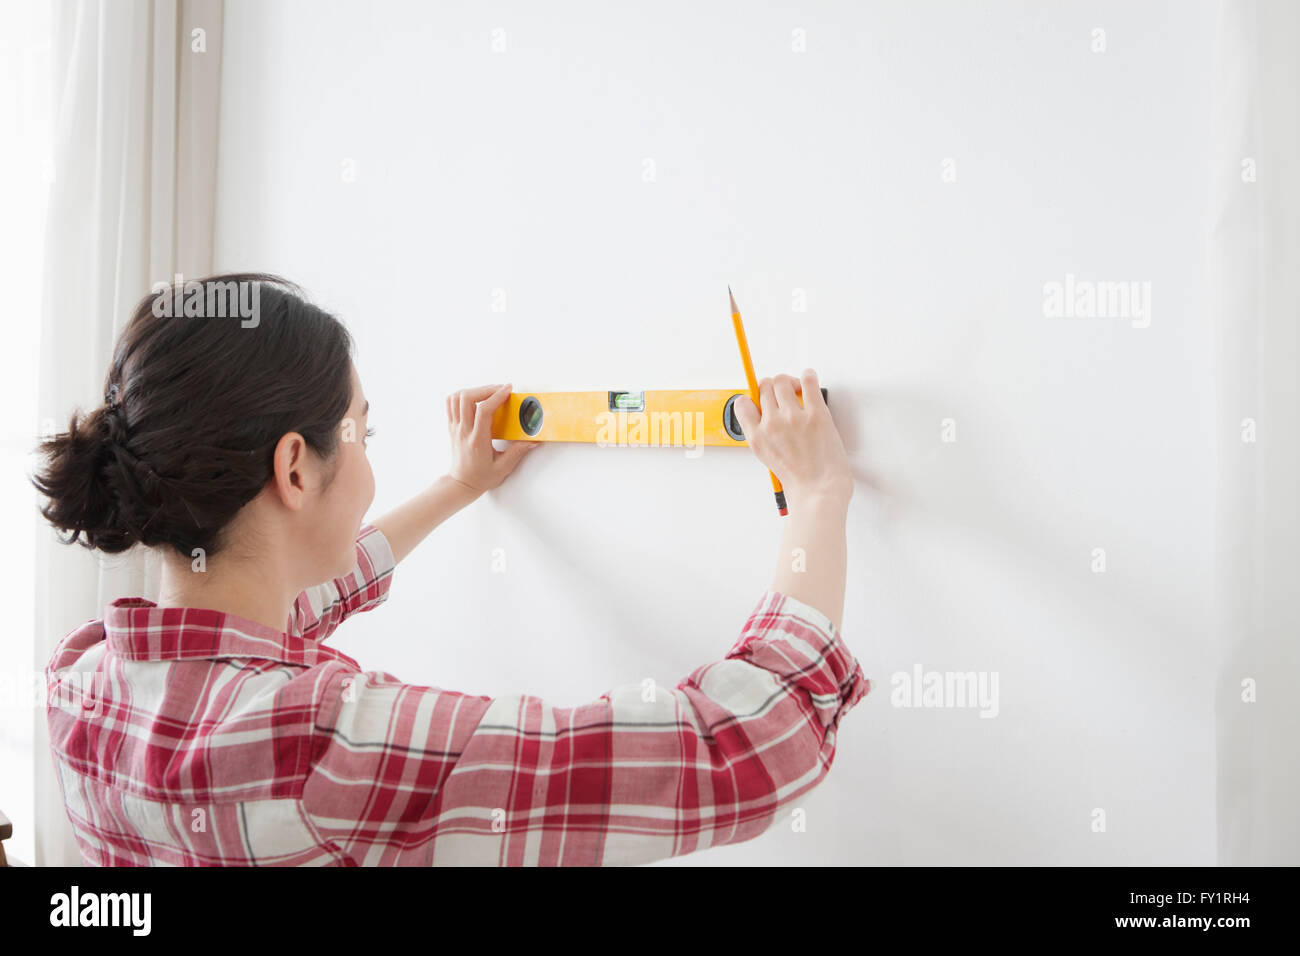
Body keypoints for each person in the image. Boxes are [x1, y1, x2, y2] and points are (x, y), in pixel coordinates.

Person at [33, 273, 869, 866]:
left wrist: (457, 487)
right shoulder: (319, 748)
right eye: (364, 431)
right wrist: (819, 497)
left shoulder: (82, 683)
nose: (369, 460)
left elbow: (280, 608)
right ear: (296, 469)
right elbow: (748, 744)